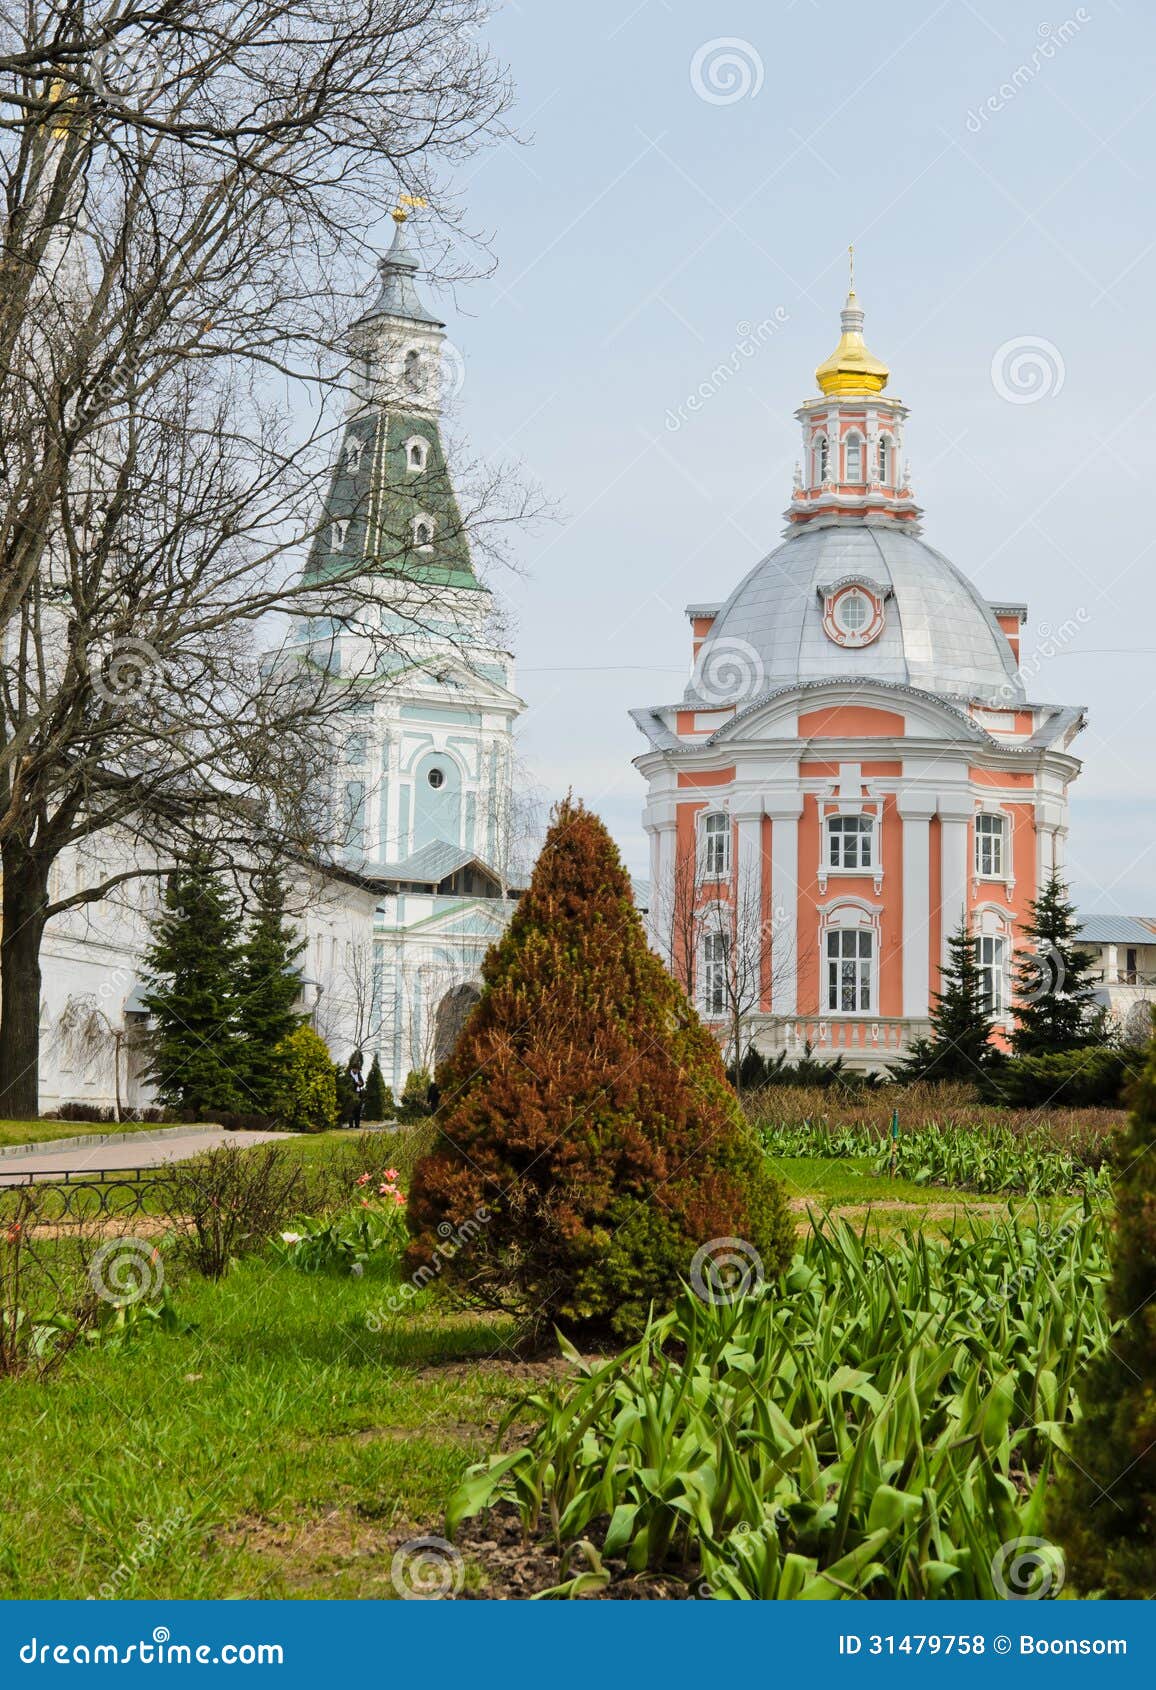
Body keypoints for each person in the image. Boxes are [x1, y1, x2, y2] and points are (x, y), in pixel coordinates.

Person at [346, 1051, 366, 1129]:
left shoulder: (359, 1074)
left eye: (358, 1070)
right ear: (353, 1069)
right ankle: (351, 1125)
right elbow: (349, 1083)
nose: (358, 1071)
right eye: (357, 1070)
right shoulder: (349, 1075)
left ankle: (357, 1125)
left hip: (358, 1093)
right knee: (351, 1110)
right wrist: (356, 1083)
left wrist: (360, 1083)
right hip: (352, 1093)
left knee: (358, 1110)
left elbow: (362, 1082)